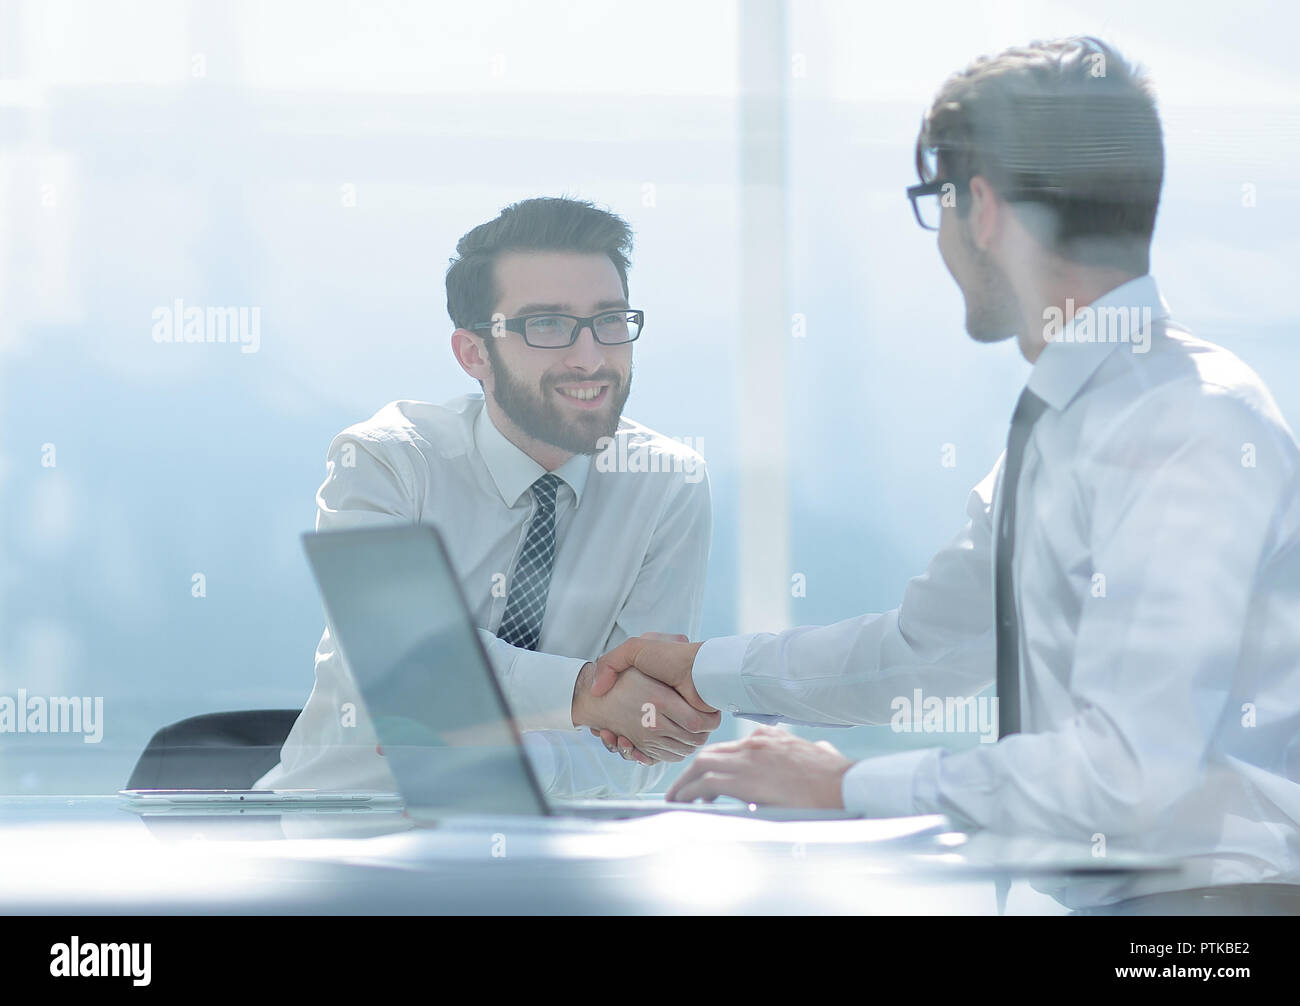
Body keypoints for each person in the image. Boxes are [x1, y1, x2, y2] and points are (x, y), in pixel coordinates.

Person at [591, 37, 1300, 910]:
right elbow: (920, 655)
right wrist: (703, 668)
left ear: (984, 208)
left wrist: (845, 789)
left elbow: (1130, 774)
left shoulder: (1189, 422)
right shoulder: (1069, 425)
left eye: (940, 203)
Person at [258, 196, 719, 797]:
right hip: (343, 835)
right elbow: (405, 665)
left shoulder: (666, 483)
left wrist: (519, 763)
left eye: (609, 321)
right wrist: (589, 692)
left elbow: (649, 733)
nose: (591, 357)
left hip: (553, 858)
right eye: (547, 325)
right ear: (474, 353)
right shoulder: (384, 460)